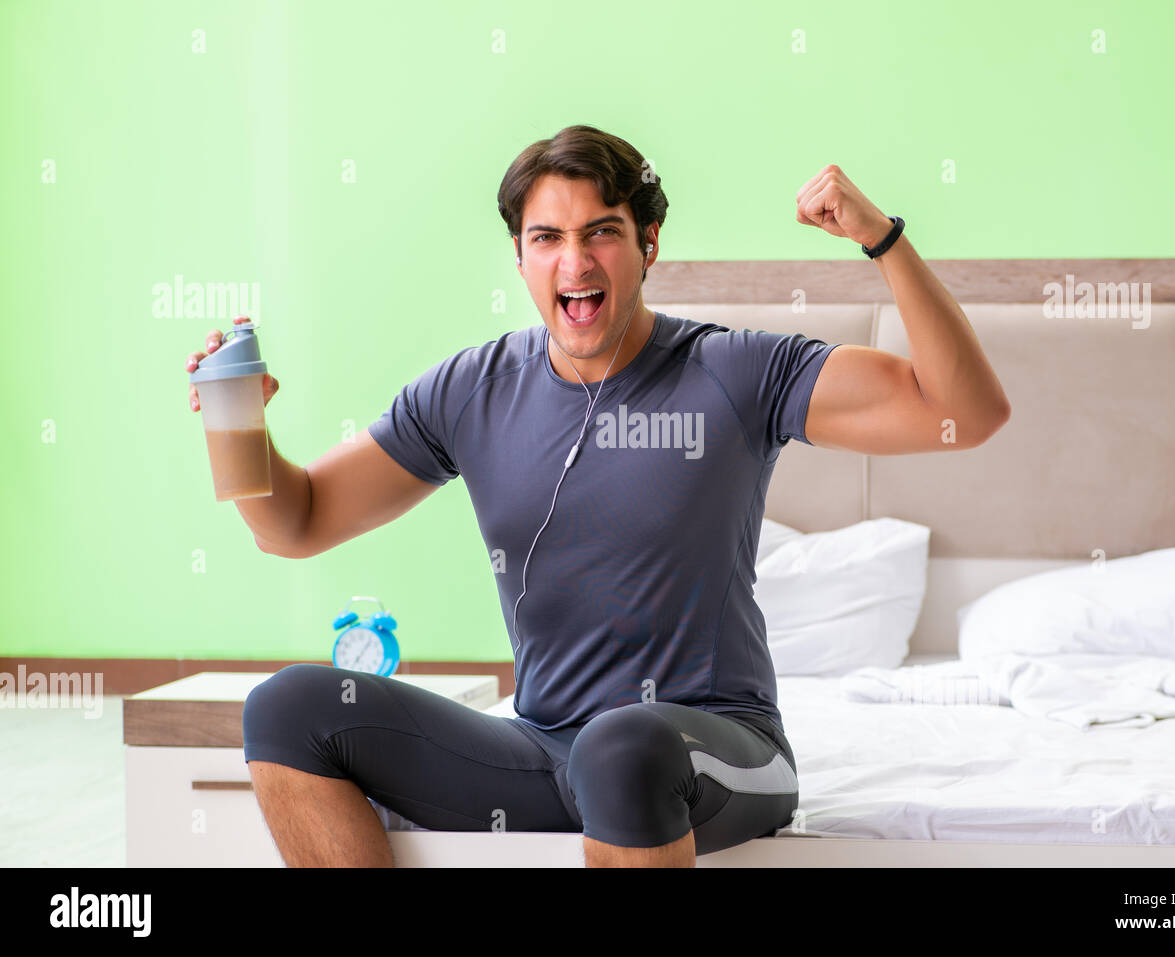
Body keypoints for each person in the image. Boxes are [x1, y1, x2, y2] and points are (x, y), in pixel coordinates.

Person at [184, 125, 1010, 868]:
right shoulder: (472, 390)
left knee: (621, 745)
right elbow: (295, 523)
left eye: (601, 234)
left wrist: (885, 240)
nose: (573, 262)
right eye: (546, 238)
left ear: (649, 245)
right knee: (288, 705)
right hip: (546, 753)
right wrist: (238, 427)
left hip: (715, 757)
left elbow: (963, 412)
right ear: (520, 258)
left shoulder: (734, 372)